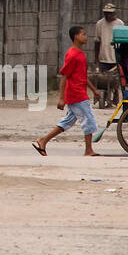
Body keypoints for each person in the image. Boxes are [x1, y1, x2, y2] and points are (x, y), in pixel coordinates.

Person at [32, 26, 102, 157]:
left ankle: (43, 141)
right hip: (76, 94)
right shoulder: (72, 54)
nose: (86, 37)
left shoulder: (80, 54)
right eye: (83, 34)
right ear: (76, 36)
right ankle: (88, 150)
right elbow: (64, 77)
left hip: (80, 92)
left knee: (68, 121)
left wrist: (94, 90)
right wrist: (61, 98)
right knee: (89, 120)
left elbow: (83, 76)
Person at [92, 3, 124, 107]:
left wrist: (122, 56)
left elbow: (123, 42)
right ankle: (103, 98)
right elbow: (97, 41)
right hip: (103, 57)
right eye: (105, 13)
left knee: (116, 80)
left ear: (114, 13)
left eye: (109, 13)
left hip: (116, 57)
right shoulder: (99, 24)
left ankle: (115, 97)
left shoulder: (120, 24)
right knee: (102, 81)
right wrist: (96, 57)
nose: (107, 15)